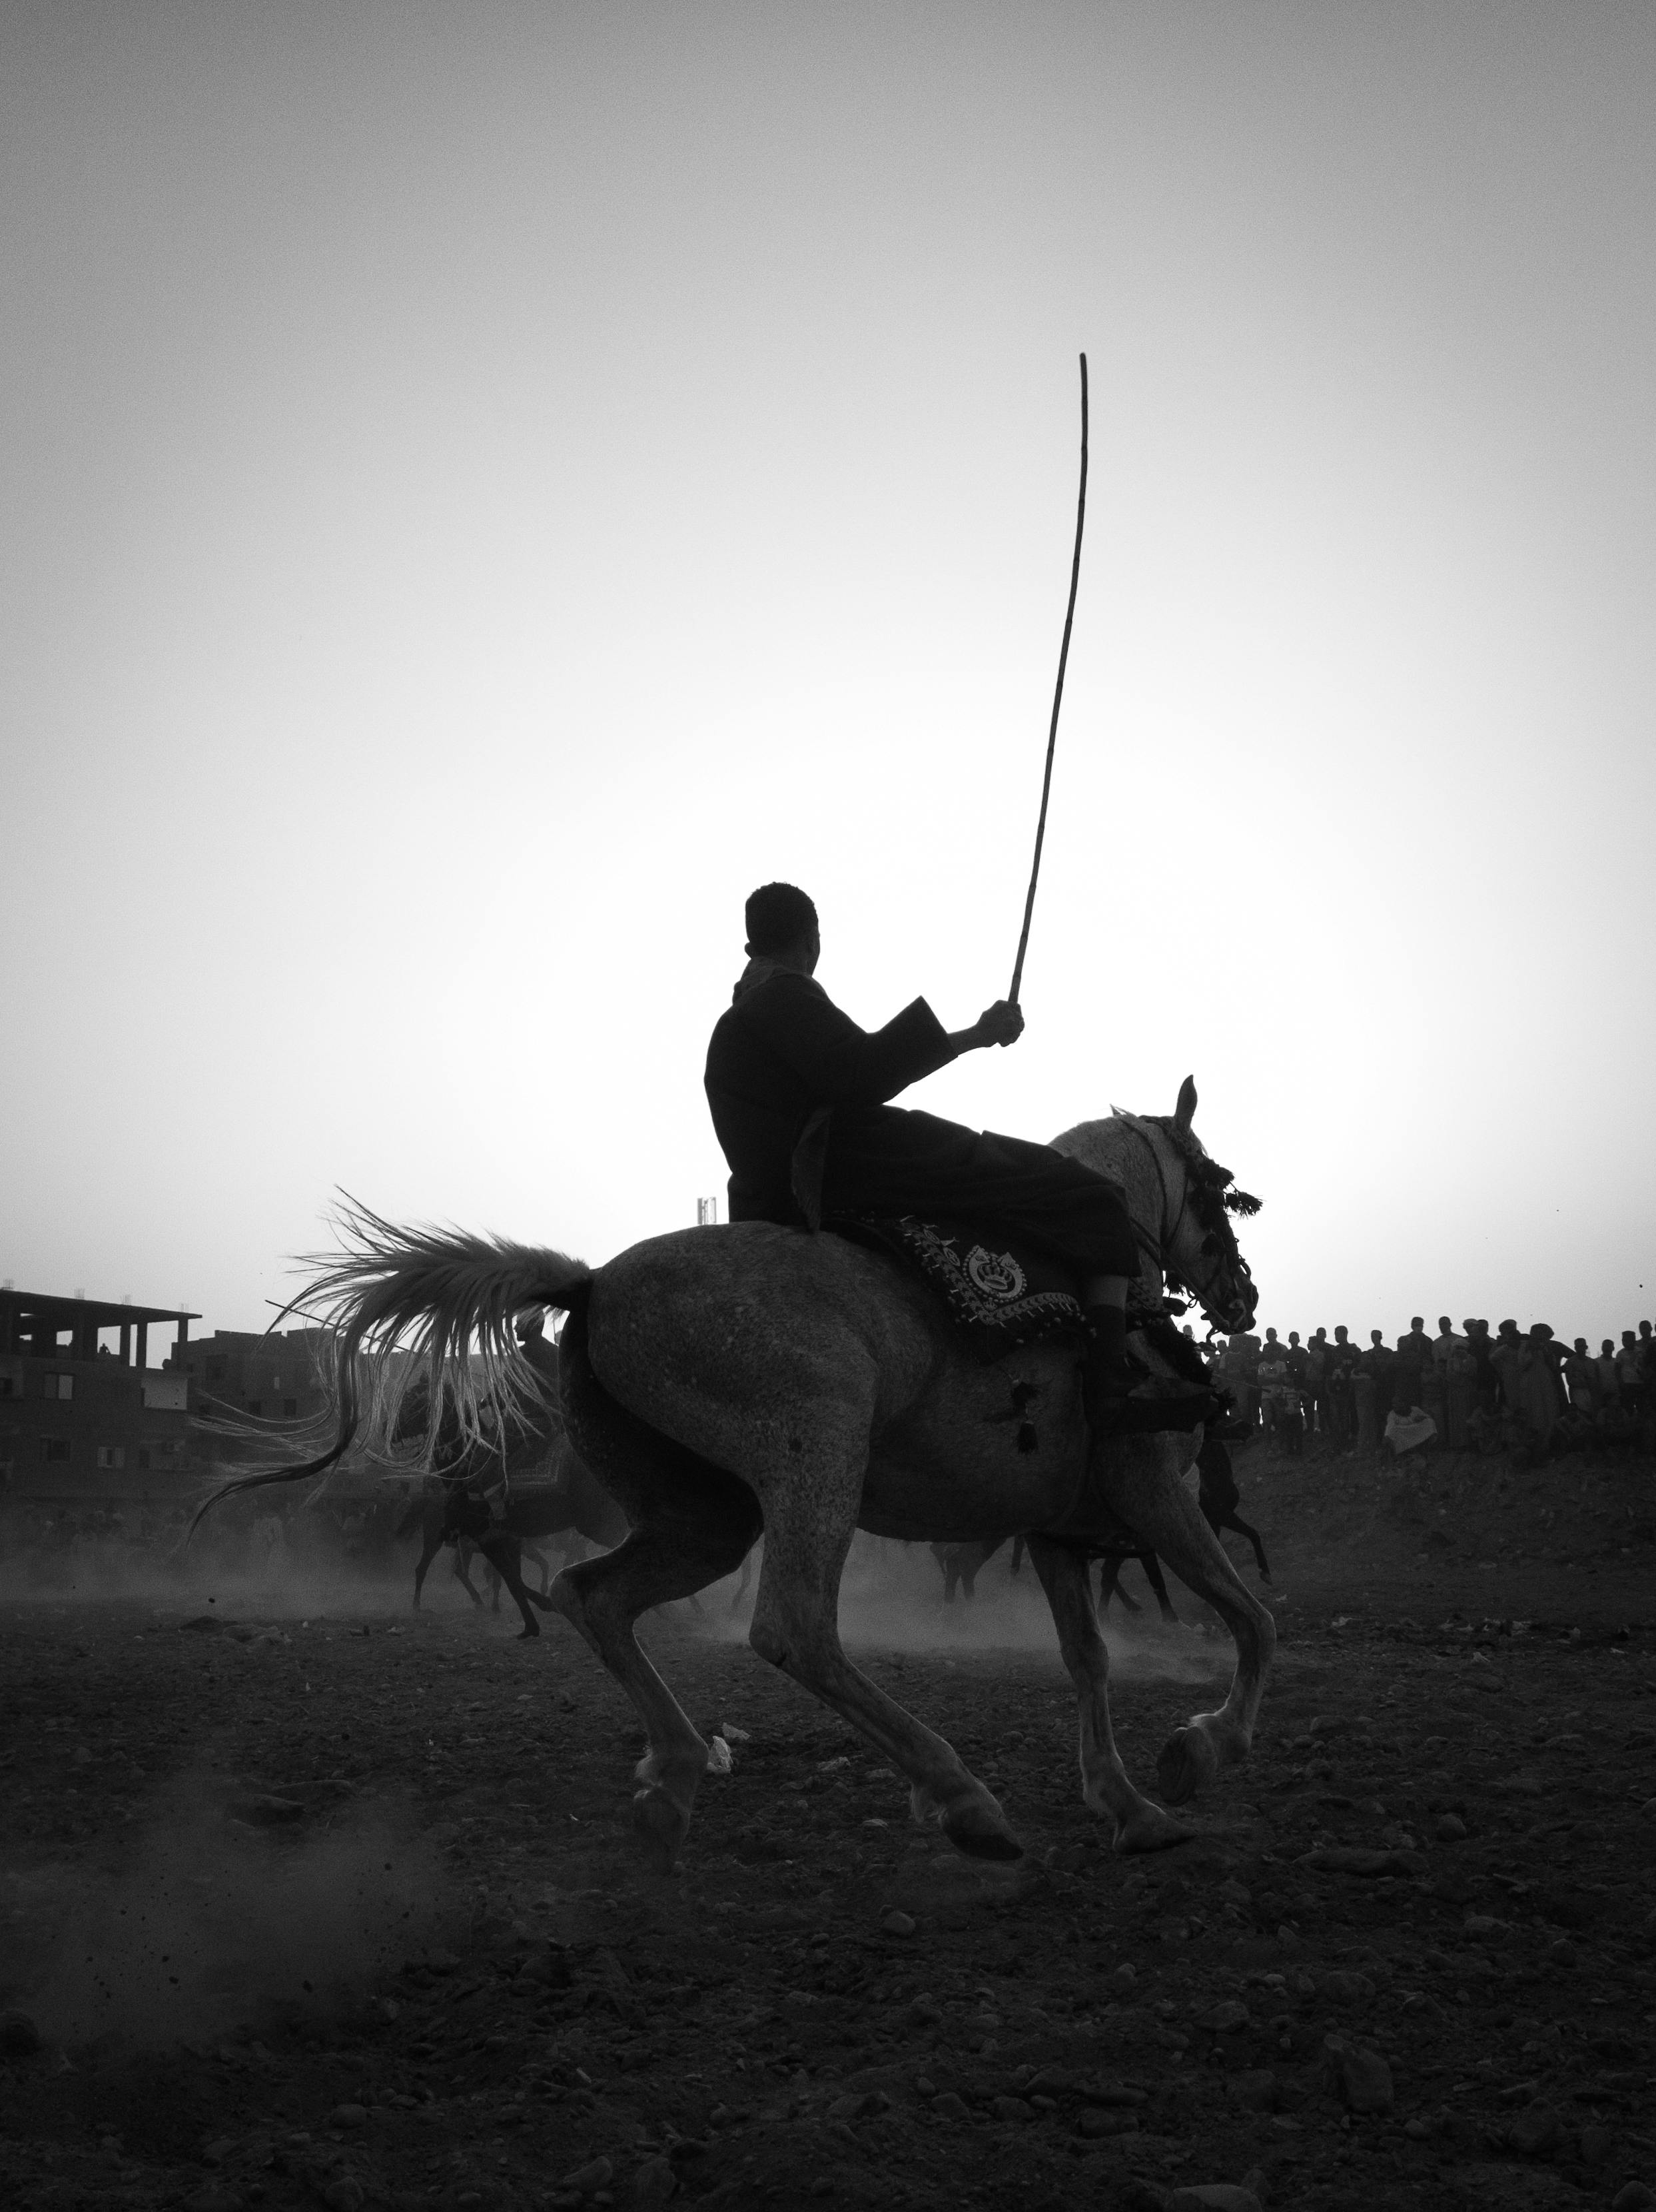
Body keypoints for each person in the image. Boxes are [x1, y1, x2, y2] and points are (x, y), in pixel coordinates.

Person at [703, 882, 1208, 1445]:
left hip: (787, 1187)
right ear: (811, 941)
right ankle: (1110, 1385)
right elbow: (861, 1074)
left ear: (753, 945)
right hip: (854, 1164)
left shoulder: (741, 1015)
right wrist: (979, 1034)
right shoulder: (784, 996)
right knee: (1088, 1192)